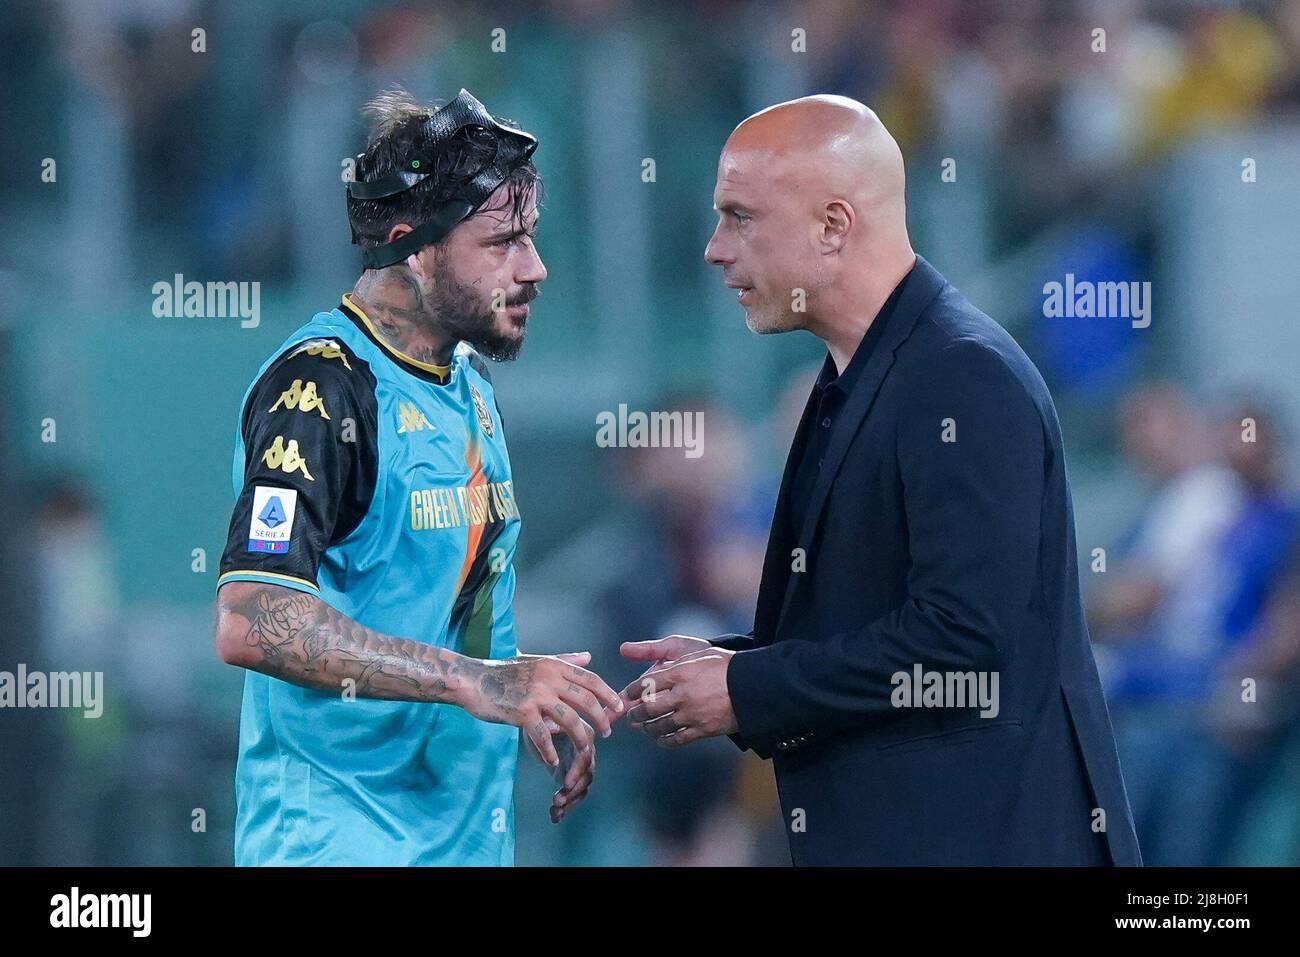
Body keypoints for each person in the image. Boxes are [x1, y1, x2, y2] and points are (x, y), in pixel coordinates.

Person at [619, 94, 1142, 866]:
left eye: (740, 216)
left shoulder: (962, 376)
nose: (714, 249)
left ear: (833, 226)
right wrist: (730, 666)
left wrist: (752, 687)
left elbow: (961, 636)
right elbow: (870, 619)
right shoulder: (854, 379)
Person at [212, 88, 621, 866]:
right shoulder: (321, 388)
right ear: (411, 247)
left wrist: (526, 695)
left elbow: (445, 605)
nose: (535, 268)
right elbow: (250, 615)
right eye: (502, 242)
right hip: (339, 844)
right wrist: (478, 682)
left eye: (529, 236)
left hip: (459, 841)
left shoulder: (465, 380)